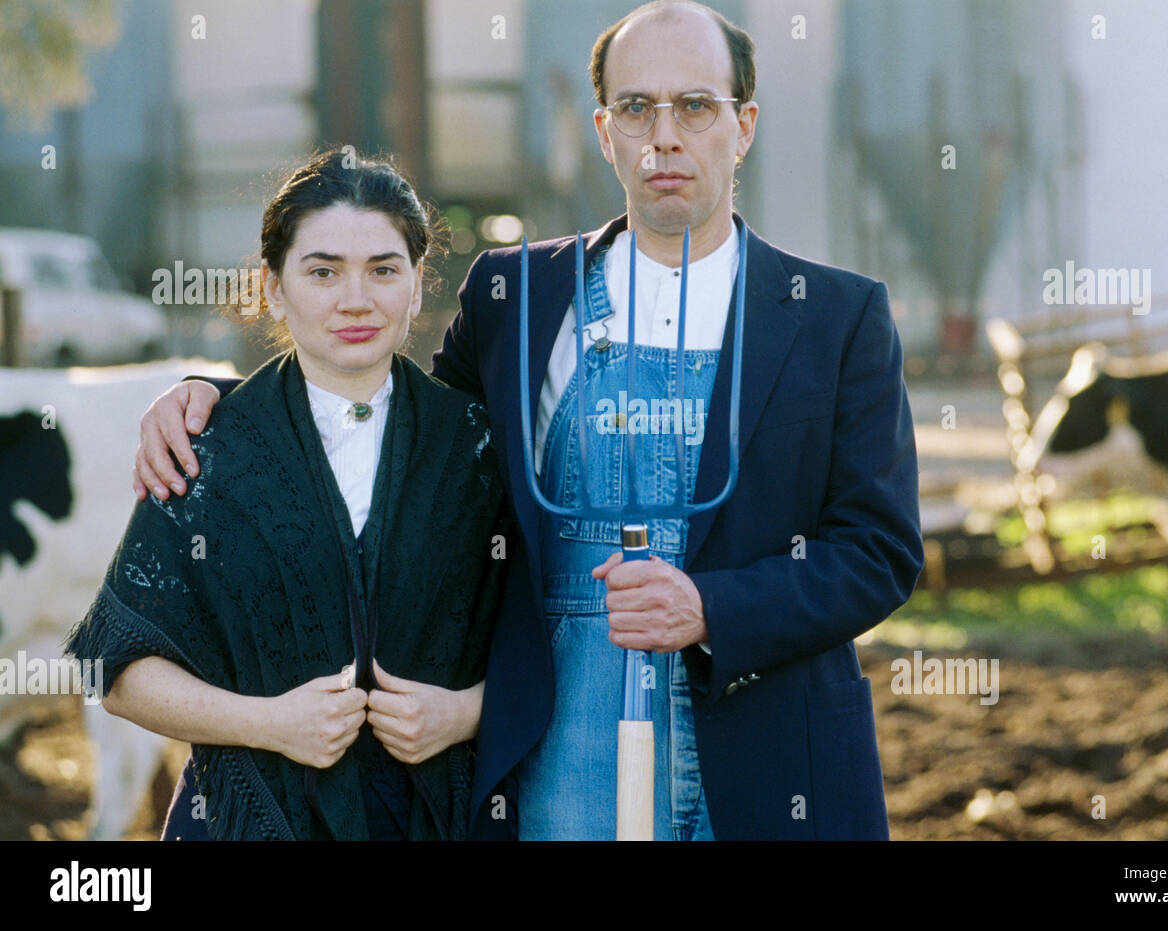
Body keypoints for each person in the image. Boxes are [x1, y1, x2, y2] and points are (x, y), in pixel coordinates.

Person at [134, 1, 924, 840]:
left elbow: (878, 549)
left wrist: (711, 606)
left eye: (695, 106)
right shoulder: (514, 296)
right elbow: (410, 436)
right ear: (603, 129)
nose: (664, 136)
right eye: (635, 108)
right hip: (556, 745)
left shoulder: (837, 316)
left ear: (745, 125)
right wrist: (224, 397)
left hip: (771, 756)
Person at [69, 149, 509, 840]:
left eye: (384, 270)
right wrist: (269, 723)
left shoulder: (479, 446)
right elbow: (119, 667)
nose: (355, 298)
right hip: (246, 819)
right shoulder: (206, 448)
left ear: (418, 286)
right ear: (273, 288)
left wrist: (464, 713)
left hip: (437, 821)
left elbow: (550, 646)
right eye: (323, 270)